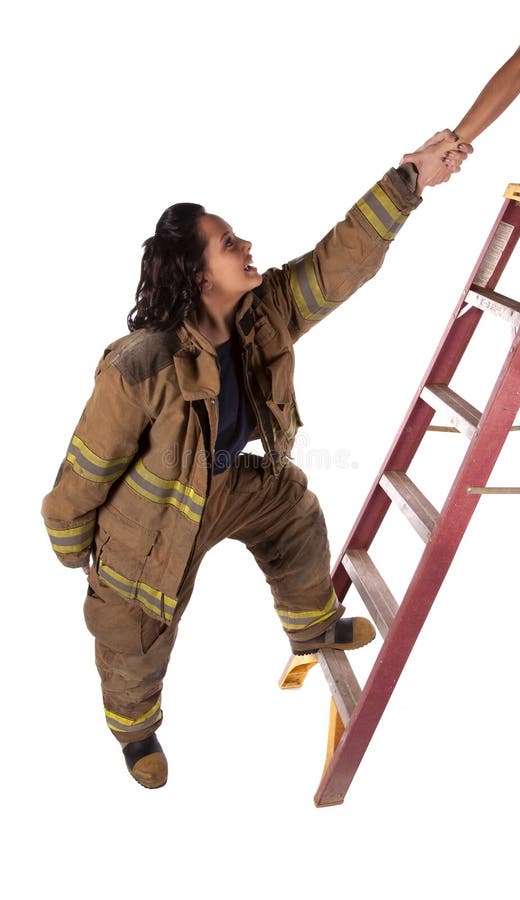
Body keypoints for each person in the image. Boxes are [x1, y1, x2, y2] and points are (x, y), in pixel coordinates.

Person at [42, 132, 471, 789]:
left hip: (222, 484)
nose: (246, 246)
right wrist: (76, 550)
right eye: (228, 242)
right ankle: (135, 733)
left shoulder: (261, 313)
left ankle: (312, 628)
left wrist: (410, 178)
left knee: (291, 506)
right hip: (151, 521)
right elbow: (85, 470)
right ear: (197, 275)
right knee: (131, 635)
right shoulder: (141, 363)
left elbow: (337, 263)